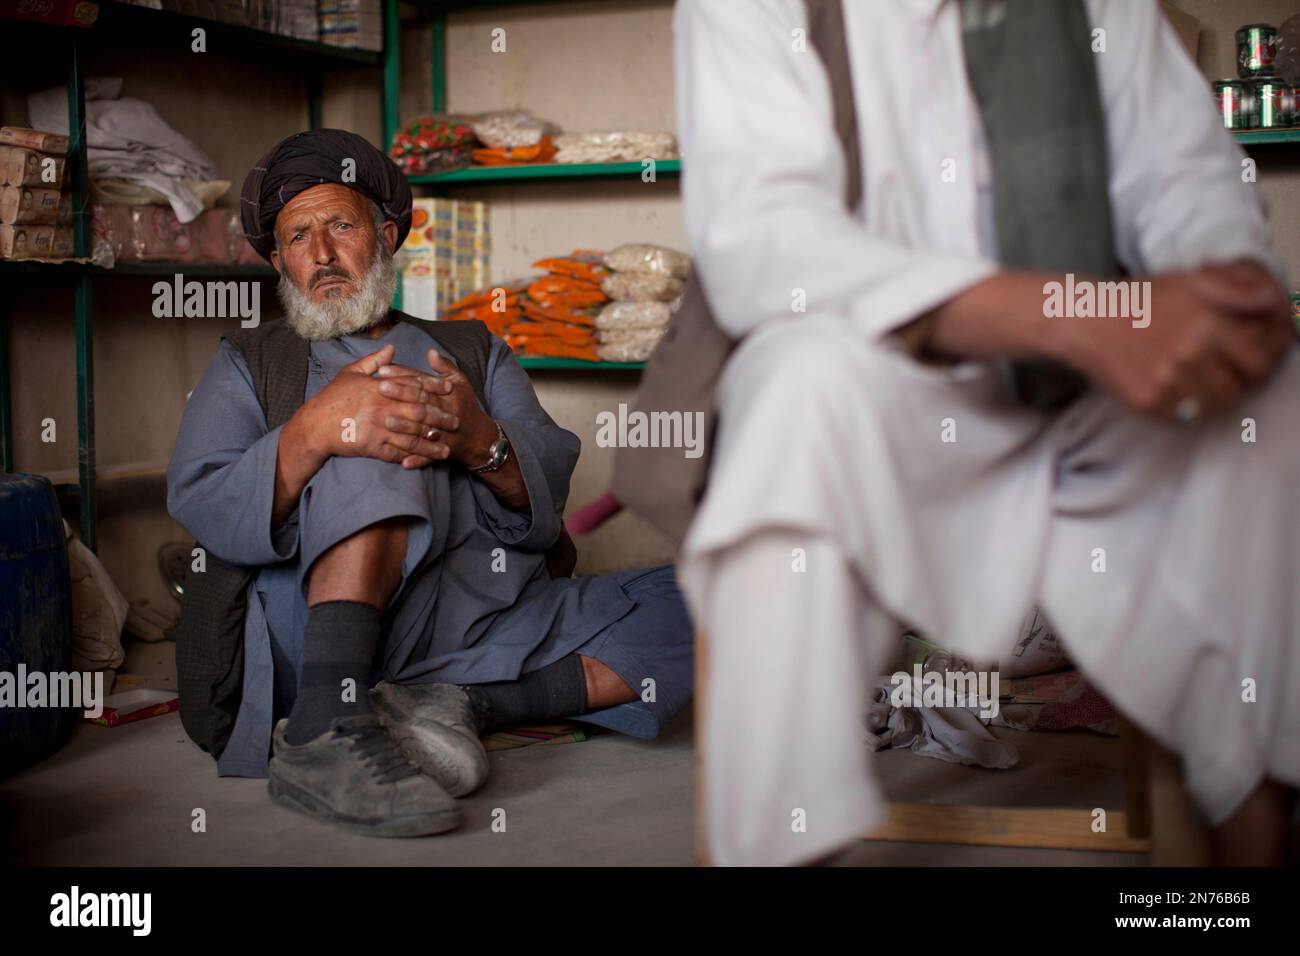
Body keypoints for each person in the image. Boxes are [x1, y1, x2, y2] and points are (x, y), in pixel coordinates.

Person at [674, 0, 1299, 865]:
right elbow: (763, 242)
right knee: (791, 397)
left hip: (1093, 385)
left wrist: (1222, 285)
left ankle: (1250, 837)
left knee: (1268, 400)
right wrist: (1058, 316)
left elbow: (1179, 175)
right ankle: (781, 843)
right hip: (878, 372)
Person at [167, 129, 693, 837]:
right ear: (279, 261)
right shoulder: (250, 360)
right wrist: (314, 432)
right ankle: (327, 722)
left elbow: (548, 494)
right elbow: (203, 497)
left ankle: (458, 703)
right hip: (316, 632)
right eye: (297, 238)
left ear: (385, 235)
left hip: (481, 623)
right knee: (373, 421)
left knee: (712, 597)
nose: (321, 254)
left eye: (341, 226)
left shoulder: (474, 349)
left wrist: (482, 439)